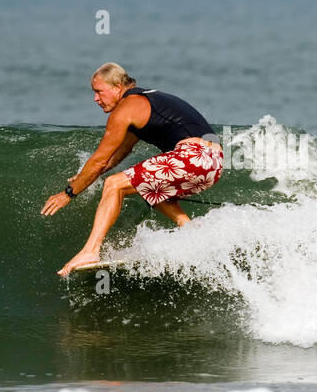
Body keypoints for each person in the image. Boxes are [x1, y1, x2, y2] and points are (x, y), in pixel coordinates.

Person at [42, 63, 224, 276]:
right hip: (212, 162)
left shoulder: (127, 108)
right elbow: (118, 153)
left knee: (115, 184)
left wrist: (69, 193)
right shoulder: (144, 102)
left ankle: (90, 251)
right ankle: (190, 229)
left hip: (195, 156)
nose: (95, 99)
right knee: (144, 185)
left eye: (99, 91)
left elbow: (99, 159)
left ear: (117, 86)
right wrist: (87, 176)